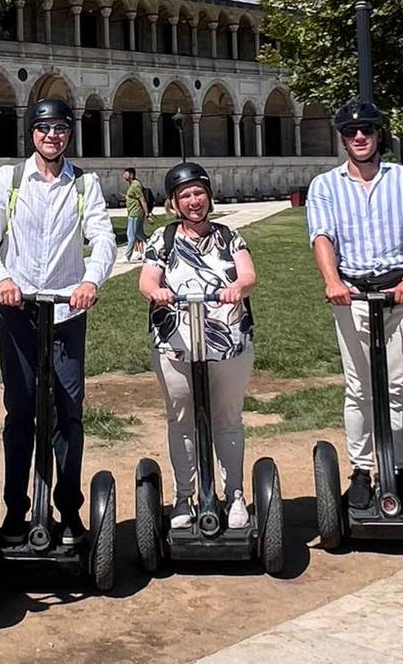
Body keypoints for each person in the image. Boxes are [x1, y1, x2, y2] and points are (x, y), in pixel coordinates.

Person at [0, 98, 117, 545]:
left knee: (68, 411)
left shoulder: (83, 184)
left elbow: (103, 236)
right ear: (31, 133)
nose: (52, 136)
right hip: (19, 311)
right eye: (43, 128)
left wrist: (91, 280)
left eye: (60, 129)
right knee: (21, 409)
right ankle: (17, 508)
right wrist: (2, 279)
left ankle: (68, 509)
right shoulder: (10, 179)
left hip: (67, 311)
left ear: (69, 135)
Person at [305, 99, 403, 511]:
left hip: (398, 291)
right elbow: (322, 237)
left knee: (399, 388)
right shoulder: (325, 186)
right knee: (358, 389)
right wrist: (332, 282)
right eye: (350, 133)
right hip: (352, 293)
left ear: (380, 135)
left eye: (367, 131)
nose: (359, 137)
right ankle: (361, 470)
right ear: (342, 140)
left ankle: (402, 468)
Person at [138, 162, 257, 529]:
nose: (194, 201)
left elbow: (248, 273)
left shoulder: (229, 236)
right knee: (181, 421)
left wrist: (238, 287)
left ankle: (234, 493)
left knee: (227, 417)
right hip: (176, 341)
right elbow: (147, 278)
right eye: (185, 195)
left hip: (227, 339)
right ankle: (185, 497)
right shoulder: (164, 239)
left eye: (199, 193)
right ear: (174, 203)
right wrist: (157, 292)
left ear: (209, 195)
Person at [123, 167, 149, 262]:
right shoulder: (132, 185)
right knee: (139, 234)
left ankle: (127, 256)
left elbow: (142, 200)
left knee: (131, 235)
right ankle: (150, 246)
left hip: (135, 213)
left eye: (126, 174)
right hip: (133, 212)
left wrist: (147, 213)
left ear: (131, 175)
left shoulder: (135, 185)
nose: (124, 176)